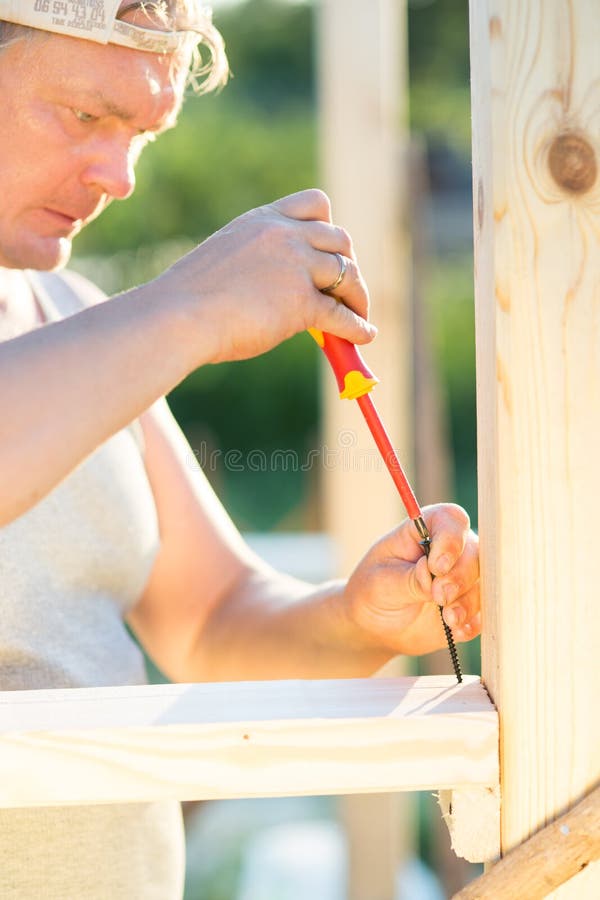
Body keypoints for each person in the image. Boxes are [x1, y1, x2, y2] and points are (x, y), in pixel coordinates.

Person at [0, 2, 480, 897]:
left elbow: (213, 622)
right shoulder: (129, 336)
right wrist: (189, 306)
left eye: (143, 133)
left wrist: (359, 619)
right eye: (86, 115)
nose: (121, 176)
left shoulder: (74, 320)